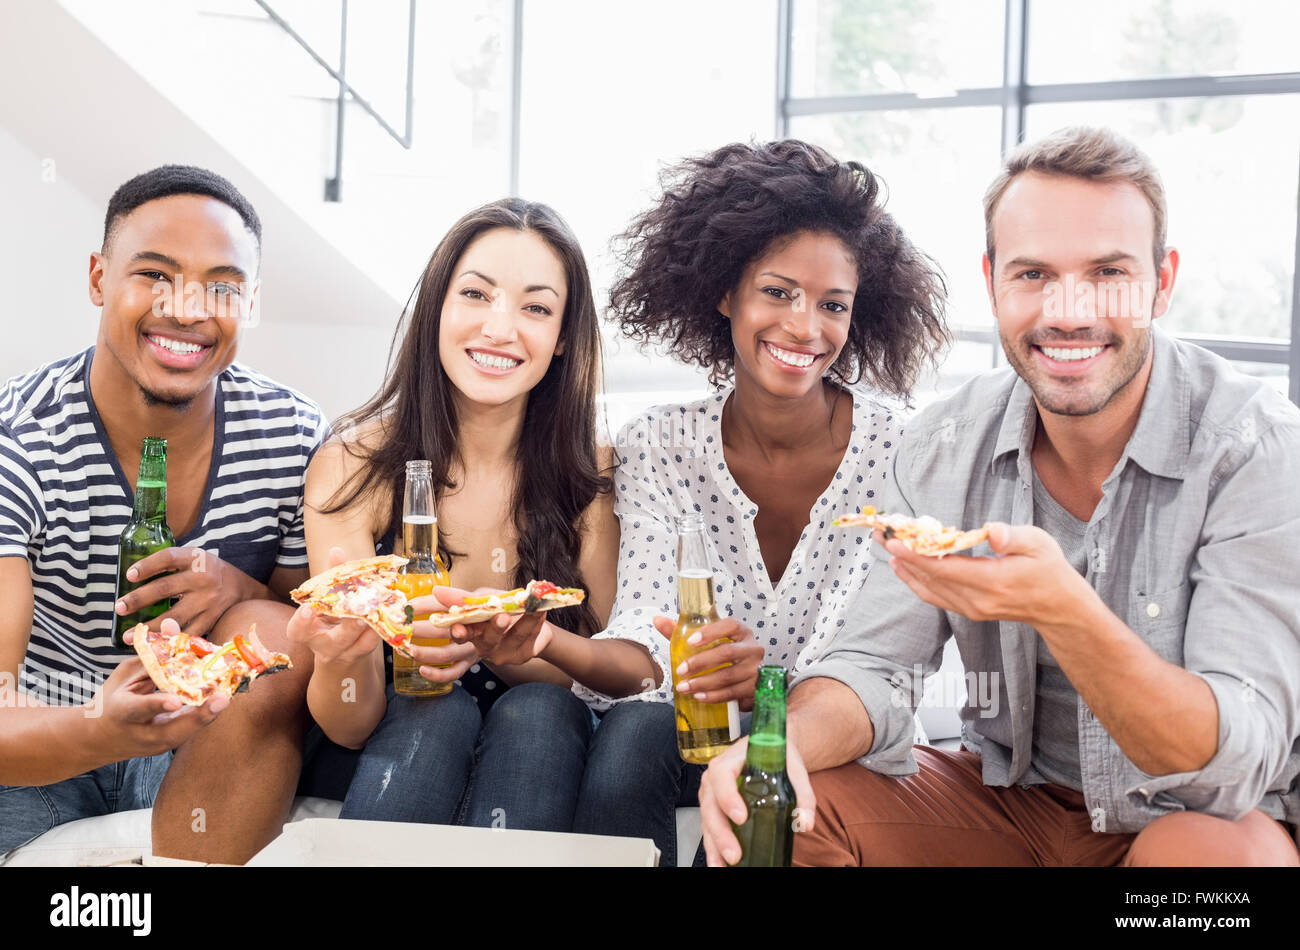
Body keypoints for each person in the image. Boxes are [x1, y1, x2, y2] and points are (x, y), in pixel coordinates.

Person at [699, 126, 1300, 867]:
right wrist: (778, 749)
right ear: (993, 283)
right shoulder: (945, 444)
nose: (1068, 311)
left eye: (1108, 273)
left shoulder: (1256, 447)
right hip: (1011, 807)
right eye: (1034, 275)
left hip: (1193, 818)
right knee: (793, 813)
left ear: (1162, 282)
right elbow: (874, 667)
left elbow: (1235, 761)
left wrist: (1061, 607)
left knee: (1220, 875)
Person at [570, 140, 950, 864]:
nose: (806, 328)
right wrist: (674, 664)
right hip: (691, 730)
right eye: (778, 292)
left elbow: (886, 666)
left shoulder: (903, 453)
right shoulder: (660, 445)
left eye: (832, 305)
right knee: (627, 744)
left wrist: (772, 684)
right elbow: (646, 648)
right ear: (725, 293)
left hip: (840, 735)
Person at [290, 198, 656, 832]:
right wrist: (341, 656)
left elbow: (592, 675)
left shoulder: (592, 475)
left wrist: (500, 643)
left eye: (536, 308)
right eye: (477, 295)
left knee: (541, 709)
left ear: (564, 337)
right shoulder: (352, 465)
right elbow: (346, 723)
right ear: (438, 308)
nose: (499, 328)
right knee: (437, 709)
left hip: (540, 734)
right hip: (390, 738)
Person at [0, 165, 326, 864]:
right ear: (98, 279)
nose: (186, 309)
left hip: (203, 745)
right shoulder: (17, 442)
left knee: (279, 626)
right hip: (44, 745)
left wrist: (241, 587)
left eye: (221, 285)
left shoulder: (292, 434)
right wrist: (103, 728)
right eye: (153, 273)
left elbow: (320, 637)